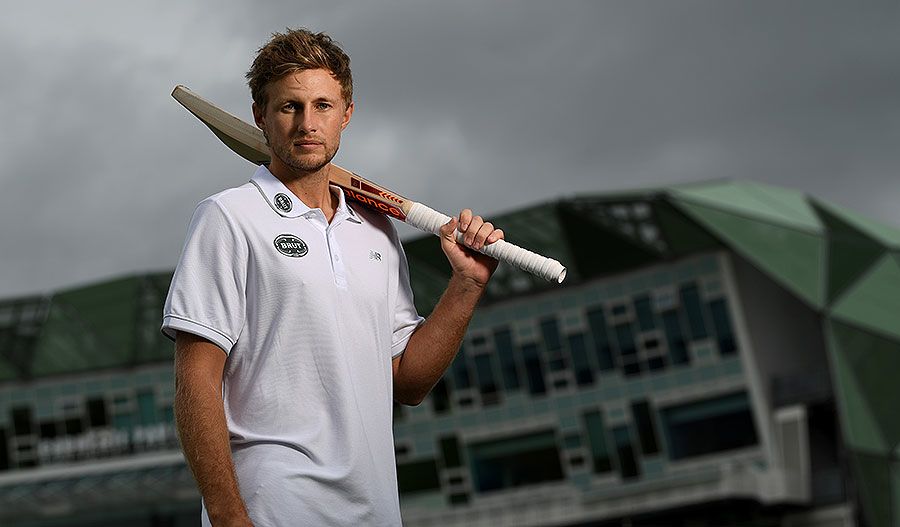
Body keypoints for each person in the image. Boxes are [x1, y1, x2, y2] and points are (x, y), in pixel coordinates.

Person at [162, 28, 504, 526]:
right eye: (289, 107)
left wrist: (466, 287)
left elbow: (407, 383)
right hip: (275, 504)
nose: (307, 123)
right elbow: (196, 379)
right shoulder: (228, 217)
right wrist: (228, 516)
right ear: (260, 115)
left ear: (346, 114)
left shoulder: (377, 232)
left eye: (322, 105)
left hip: (375, 509)